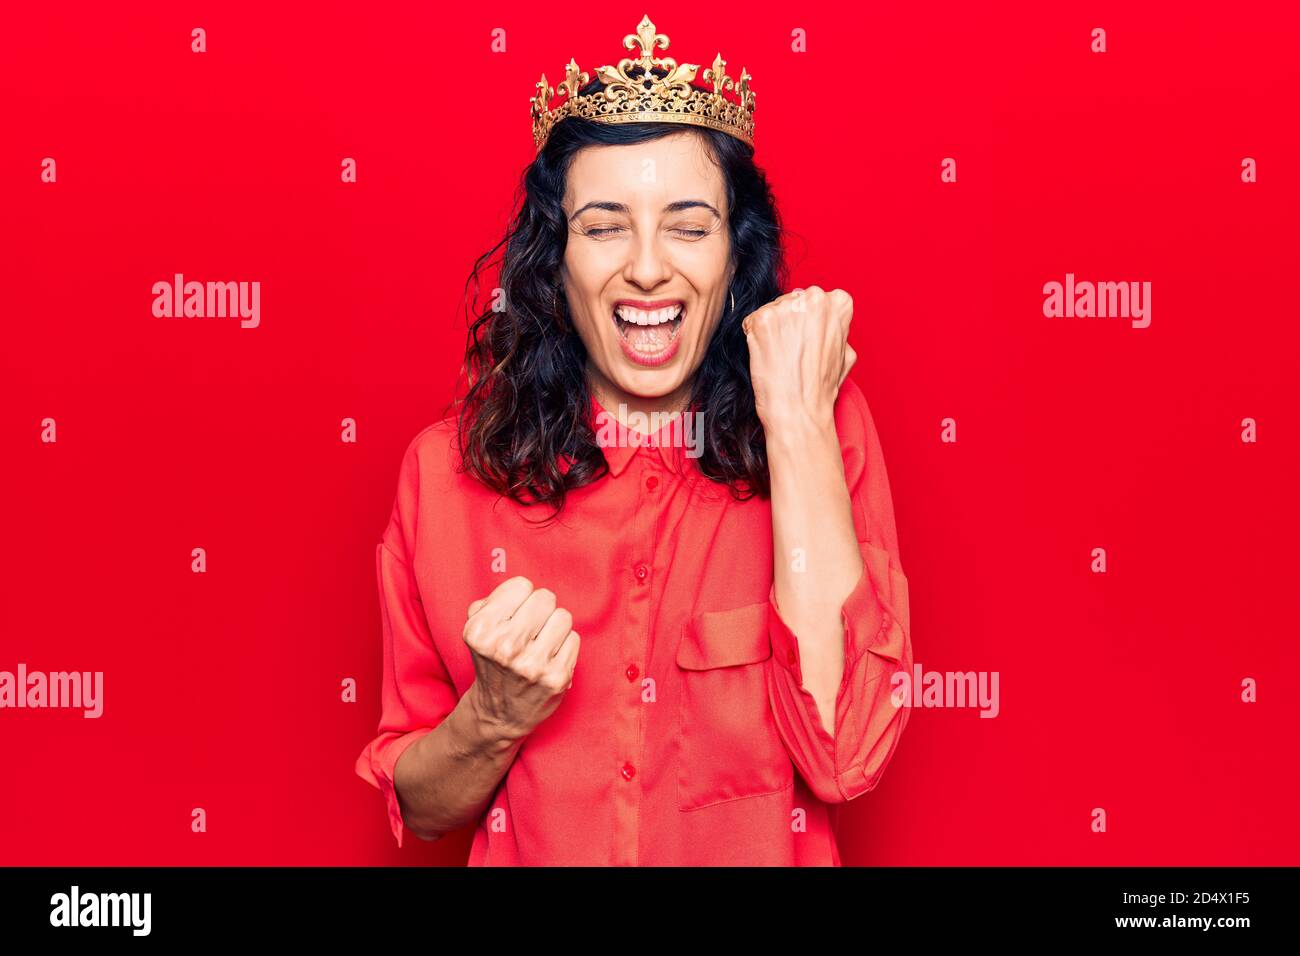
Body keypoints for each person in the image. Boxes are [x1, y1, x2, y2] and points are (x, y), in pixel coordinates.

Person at [355, 14, 913, 865]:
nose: (648, 267)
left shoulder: (821, 428)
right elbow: (424, 808)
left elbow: (845, 755)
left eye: (689, 225)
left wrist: (796, 421)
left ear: (736, 256)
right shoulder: (444, 474)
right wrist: (494, 716)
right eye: (605, 224)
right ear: (555, 260)